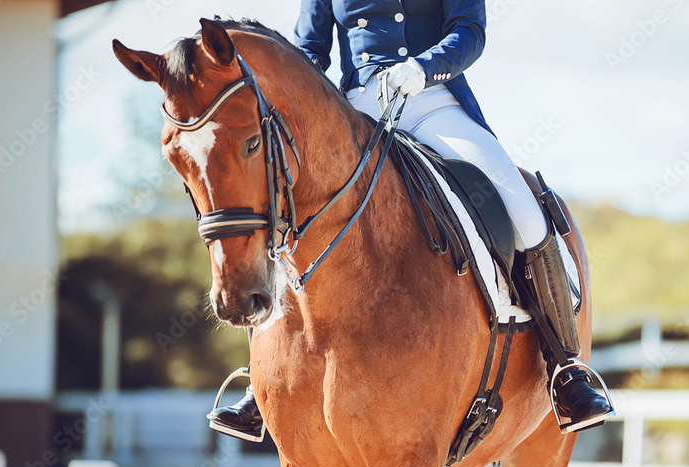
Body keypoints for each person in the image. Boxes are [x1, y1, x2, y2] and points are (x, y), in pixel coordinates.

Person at [209, 0, 614, 438]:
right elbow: (308, 49)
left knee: (521, 204)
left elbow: (469, 31)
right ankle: (262, 383)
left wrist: (423, 69)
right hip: (351, 107)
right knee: (278, 205)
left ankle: (564, 367)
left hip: (432, 99)